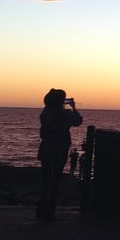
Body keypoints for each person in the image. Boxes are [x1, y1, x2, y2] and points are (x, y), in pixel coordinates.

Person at [36, 88, 82, 220]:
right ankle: (50, 207)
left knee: (45, 179)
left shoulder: (45, 113)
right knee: (56, 179)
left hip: (46, 146)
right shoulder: (66, 114)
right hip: (60, 147)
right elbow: (78, 121)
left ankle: (41, 207)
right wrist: (73, 107)